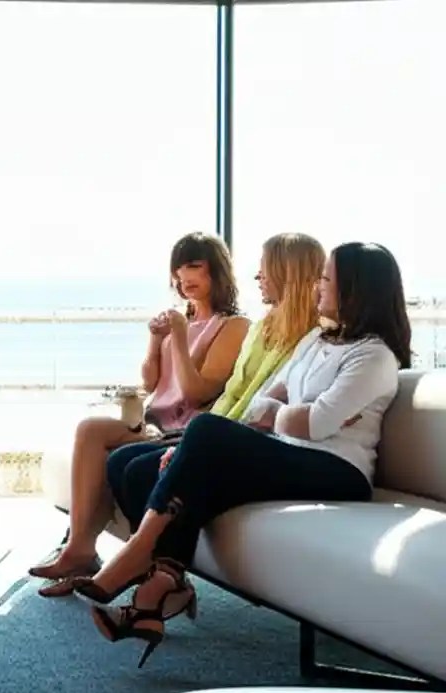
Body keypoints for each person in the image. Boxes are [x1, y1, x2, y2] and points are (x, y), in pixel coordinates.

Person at [84, 242, 410, 668]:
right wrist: (295, 415)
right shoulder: (317, 338)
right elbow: (268, 406)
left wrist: (297, 416)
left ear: (354, 288)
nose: (318, 286)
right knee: (154, 468)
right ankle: (159, 589)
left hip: (337, 470)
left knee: (202, 432)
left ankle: (140, 552)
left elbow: (312, 425)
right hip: (292, 452)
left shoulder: (374, 356)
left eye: (326, 278)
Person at [29, 232, 248, 592]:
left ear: (217, 271)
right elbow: (150, 383)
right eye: (178, 270)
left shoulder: (233, 326)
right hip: (150, 422)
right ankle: (80, 548)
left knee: (97, 440)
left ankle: (82, 553)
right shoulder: (182, 319)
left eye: (193, 266)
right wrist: (154, 339)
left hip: (183, 430)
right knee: (90, 431)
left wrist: (178, 336)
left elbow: (196, 392)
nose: (183, 278)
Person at [101, 234, 326, 554]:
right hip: (213, 427)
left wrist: (195, 440)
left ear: (284, 273)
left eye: (265, 269)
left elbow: (212, 397)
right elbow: (226, 395)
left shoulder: (301, 337)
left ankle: (158, 571)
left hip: (243, 436)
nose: (258, 277)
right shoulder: (263, 329)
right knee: (121, 461)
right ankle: (148, 566)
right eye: (178, 270)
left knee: (136, 470)